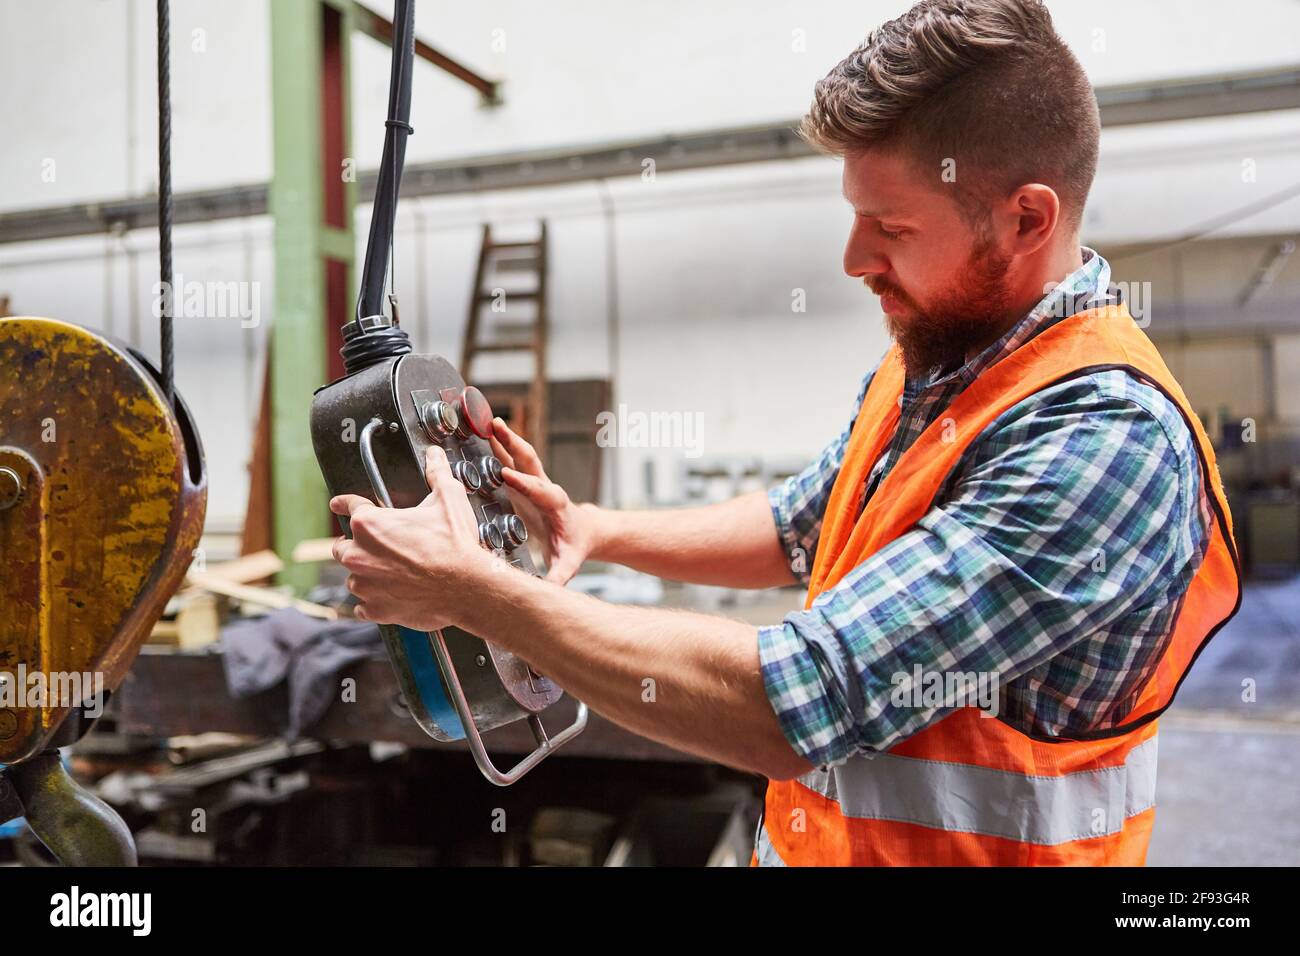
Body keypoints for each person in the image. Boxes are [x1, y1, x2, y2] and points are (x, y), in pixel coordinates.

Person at [330, 0, 1240, 866]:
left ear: (1028, 218)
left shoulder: (1103, 442)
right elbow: (799, 527)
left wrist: (478, 594)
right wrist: (596, 531)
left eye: (889, 226)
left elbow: (791, 703)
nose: (853, 261)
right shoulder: (937, 367)